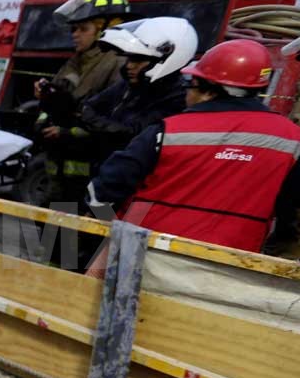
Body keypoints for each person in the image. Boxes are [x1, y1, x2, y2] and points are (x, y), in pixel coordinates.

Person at [89, 39, 300, 254]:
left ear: (205, 89)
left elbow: (100, 193)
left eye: (189, 84)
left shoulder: (167, 131)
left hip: (147, 261)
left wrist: (116, 235)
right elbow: (290, 215)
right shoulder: (293, 139)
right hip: (234, 269)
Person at [41, 16, 194, 207]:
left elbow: (131, 132)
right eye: (130, 59)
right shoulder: (128, 85)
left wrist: (94, 121)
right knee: (62, 230)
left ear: (166, 57)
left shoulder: (176, 97)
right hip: (100, 179)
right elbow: (89, 107)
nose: (129, 65)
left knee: (101, 234)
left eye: (138, 60)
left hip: (132, 194)